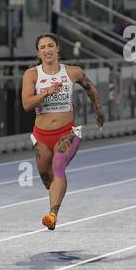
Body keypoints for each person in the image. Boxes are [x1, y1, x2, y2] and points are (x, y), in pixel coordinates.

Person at [21, 33, 105, 230]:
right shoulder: (32, 74)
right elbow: (26, 104)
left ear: (57, 48)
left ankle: (52, 214)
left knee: (59, 165)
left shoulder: (72, 72)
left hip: (67, 133)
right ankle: (54, 202)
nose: (47, 50)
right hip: (41, 136)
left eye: (51, 46)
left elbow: (91, 88)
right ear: (38, 52)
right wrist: (46, 92)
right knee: (46, 176)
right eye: (43, 47)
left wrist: (99, 111)